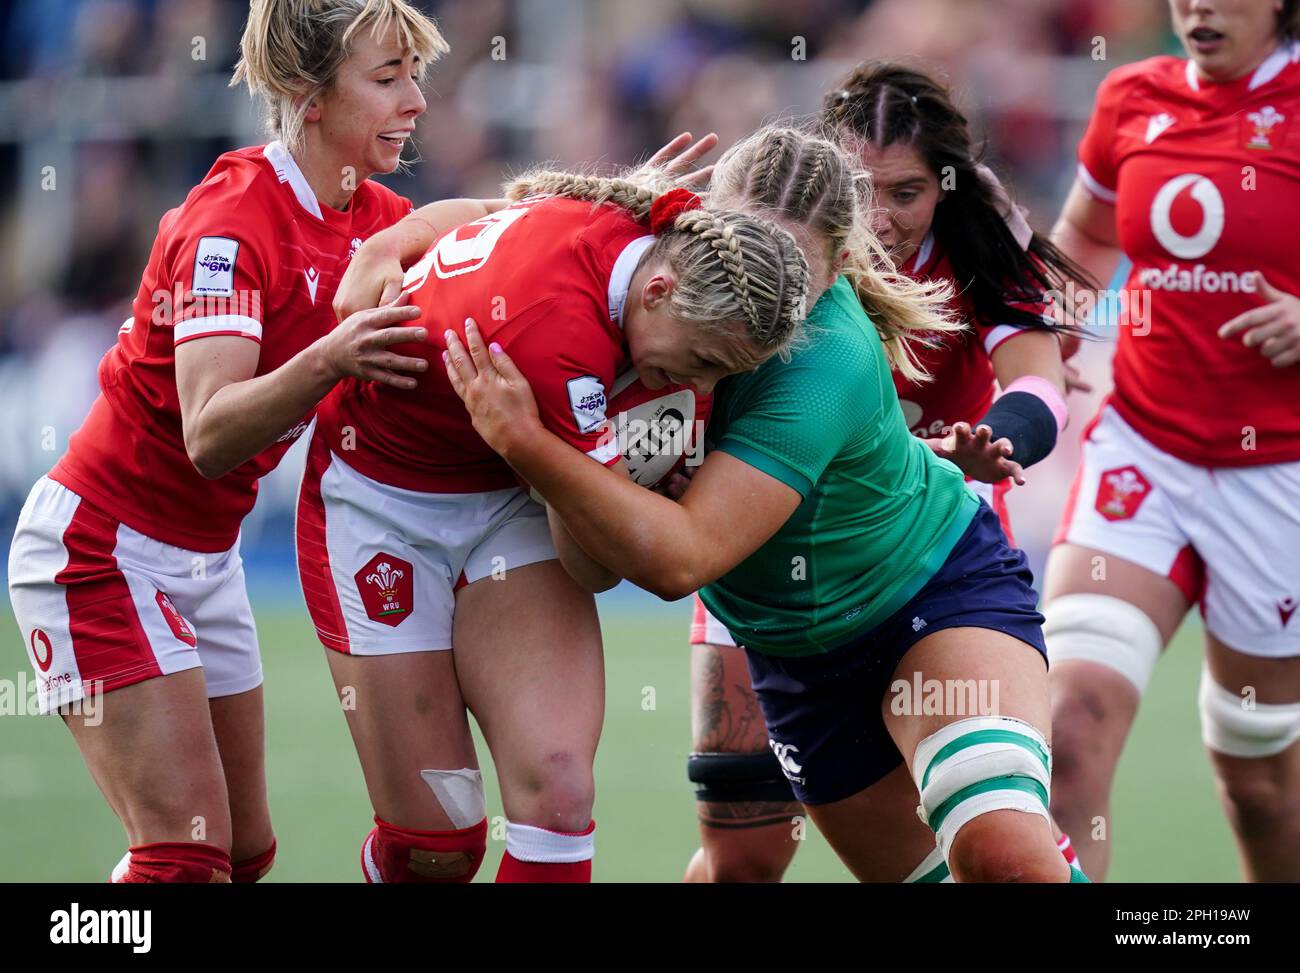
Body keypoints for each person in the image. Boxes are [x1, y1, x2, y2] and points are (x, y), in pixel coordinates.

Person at [443, 124, 1081, 883]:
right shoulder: (656, 297)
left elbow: (680, 558)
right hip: (788, 651)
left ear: (841, 265)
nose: (763, 291)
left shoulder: (823, 359)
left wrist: (530, 443)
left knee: (1003, 856)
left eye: (793, 277)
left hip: (929, 594)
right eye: (745, 249)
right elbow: (592, 565)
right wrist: (388, 255)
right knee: (747, 864)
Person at [6, 0, 452, 883]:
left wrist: (600, 210)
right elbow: (209, 431)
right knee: (182, 857)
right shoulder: (234, 219)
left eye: (417, 76)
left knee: (242, 855)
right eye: (388, 77)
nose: (417, 102)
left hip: (204, 557)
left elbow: (474, 220)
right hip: (98, 548)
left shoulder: (373, 212)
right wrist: (332, 357)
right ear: (306, 93)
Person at [294, 151, 809, 883]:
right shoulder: (555, 334)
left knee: (560, 794)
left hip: (508, 497)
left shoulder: (640, 233)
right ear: (658, 291)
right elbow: (593, 563)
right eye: (699, 360)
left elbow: (483, 210)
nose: (700, 386)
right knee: (436, 848)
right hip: (381, 501)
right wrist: (605, 464)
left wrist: (392, 242)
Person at [683, 64, 1090, 882]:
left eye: (905, 193)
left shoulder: (979, 234)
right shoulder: (763, 247)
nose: (880, 218)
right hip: (761, 569)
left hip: (923, 552)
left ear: (946, 186)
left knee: (996, 831)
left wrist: (994, 441)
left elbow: (1043, 383)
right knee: (744, 857)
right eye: (860, 192)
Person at [1044, 0, 1300, 881]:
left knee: (1258, 781)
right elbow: (1084, 234)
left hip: (1279, 478)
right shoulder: (1133, 94)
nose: (1196, 4)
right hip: (1143, 454)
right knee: (1065, 733)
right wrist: (1047, 334)